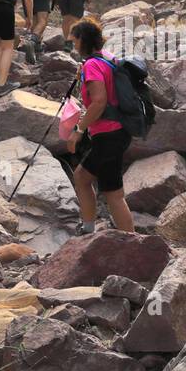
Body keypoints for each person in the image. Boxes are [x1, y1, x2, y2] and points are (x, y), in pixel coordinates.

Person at [66, 17, 134, 235]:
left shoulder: (93, 65)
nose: (73, 45)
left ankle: (132, 242)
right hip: (119, 131)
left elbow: (99, 101)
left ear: (83, 40)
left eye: (74, 41)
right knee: (83, 177)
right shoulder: (106, 58)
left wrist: (78, 131)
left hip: (108, 134)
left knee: (113, 194)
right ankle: (88, 228)